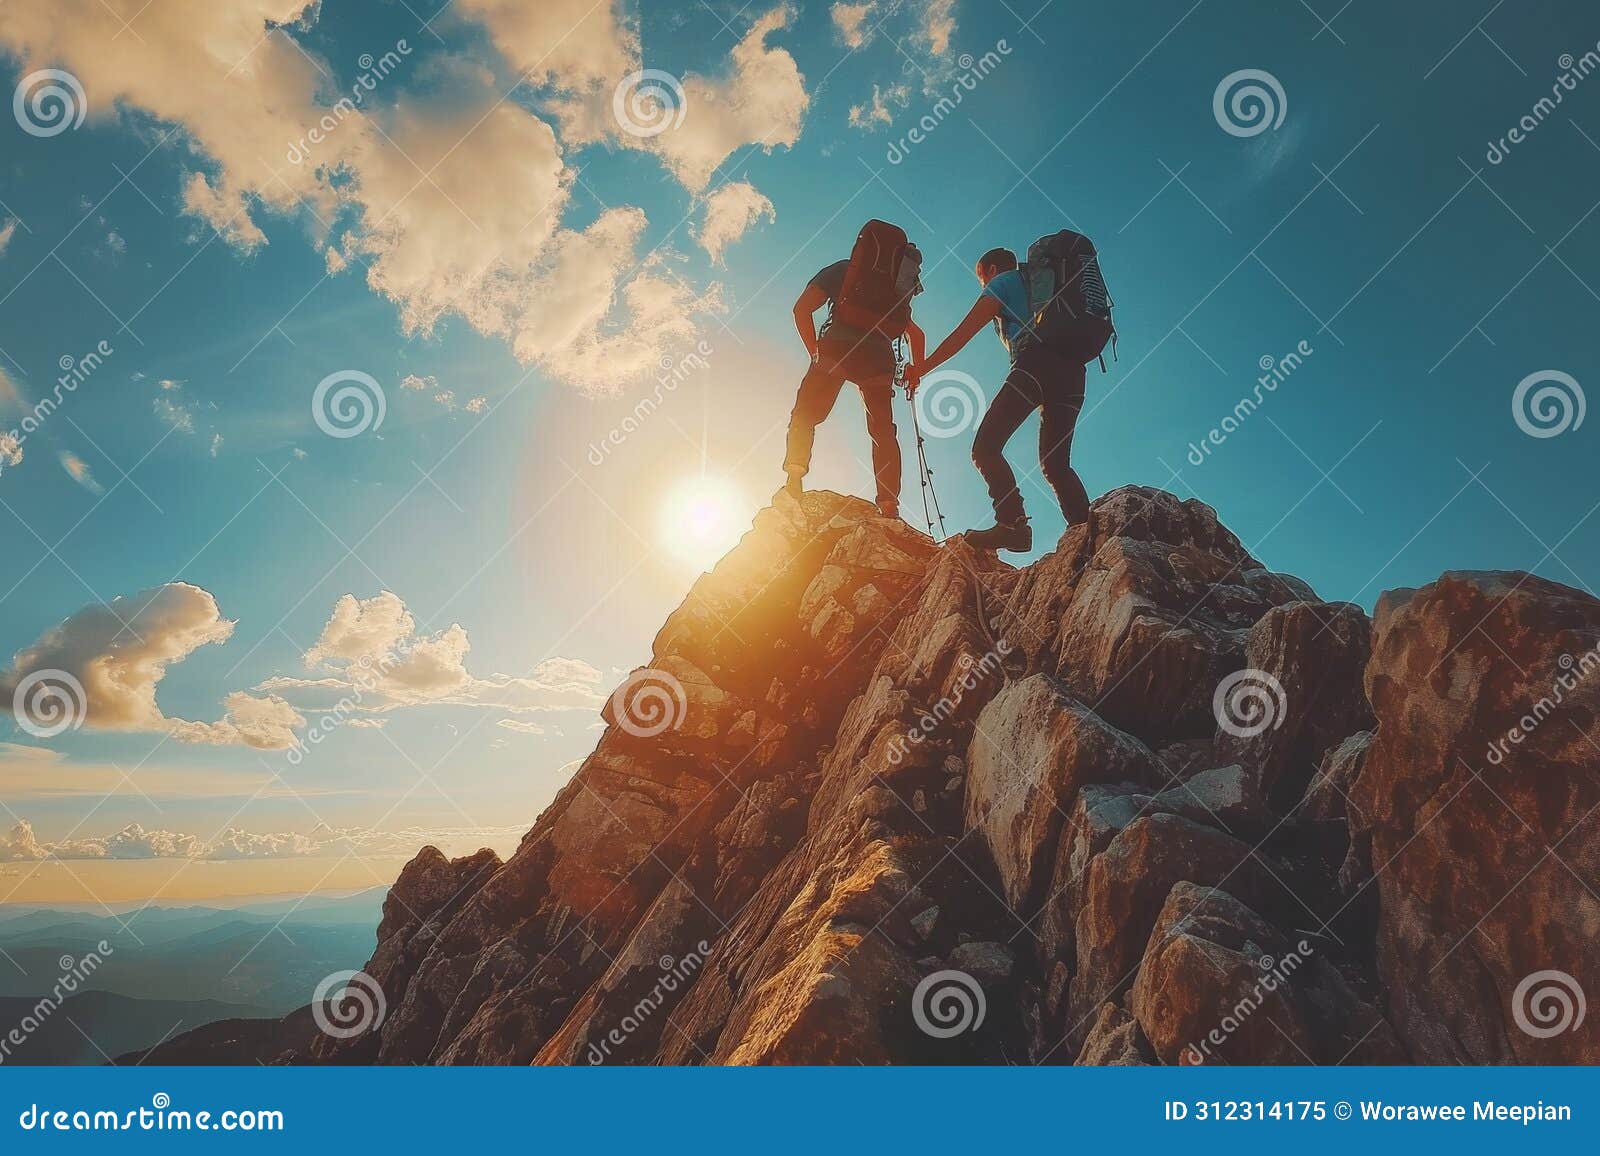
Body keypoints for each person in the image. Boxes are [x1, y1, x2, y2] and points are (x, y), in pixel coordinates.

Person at [908, 247, 1091, 553]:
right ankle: (1090, 536)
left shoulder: (1002, 283)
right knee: (1056, 465)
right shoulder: (1047, 286)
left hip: (1035, 365)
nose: (983, 286)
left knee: (985, 448)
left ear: (991, 271)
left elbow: (963, 333)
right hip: (1073, 373)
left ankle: (1011, 525)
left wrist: (921, 368)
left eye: (981, 280)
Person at [783, 244, 925, 520]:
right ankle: (889, 505)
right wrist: (915, 371)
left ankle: (794, 479)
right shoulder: (897, 288)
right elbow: (915, 335)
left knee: (805, 415)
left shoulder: (846, 270)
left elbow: (801, 309)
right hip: (878, 361)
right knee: (882, 431)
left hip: (836, 350)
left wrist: (815, 353)